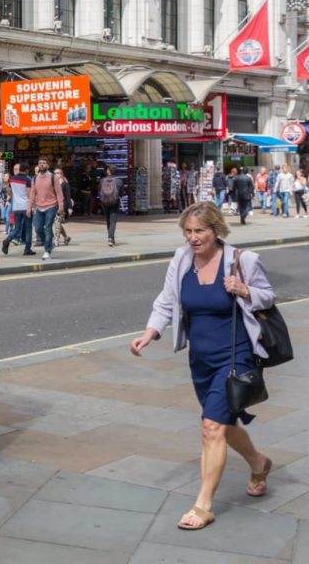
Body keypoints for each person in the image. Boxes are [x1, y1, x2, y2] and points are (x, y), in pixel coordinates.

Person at [130, 202, 276, 531]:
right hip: (200, 359)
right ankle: (258, 462)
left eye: (200, 231)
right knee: (222, 423)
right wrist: (150, 333)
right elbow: (167, 300)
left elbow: (268, 295)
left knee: (211, 427)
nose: (193, 238)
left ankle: (204, 504)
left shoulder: (242, 260)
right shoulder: (181, 259)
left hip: (235, 355)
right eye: (188, 232)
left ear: (216, 230)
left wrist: (245, 289)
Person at [29, 159, 65, 261]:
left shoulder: (53, 178)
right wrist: (29, 207)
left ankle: (47, 251)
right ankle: (50, 242)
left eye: (44, 163)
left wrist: (61, 207)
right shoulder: (35, 178)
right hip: (39, 207)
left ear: (48, 166)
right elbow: (32, 194)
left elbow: (59, 193)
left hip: (51, 206)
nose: (41, 165)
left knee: (48, 227)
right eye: (40, 163)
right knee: (38, 228)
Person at [2, 163, 33, 256]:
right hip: (26, 206)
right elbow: (28, 194)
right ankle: (27, 249)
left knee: (17, 228)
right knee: (28, 228)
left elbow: (10, 192)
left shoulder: (12, 179)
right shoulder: (27, 180)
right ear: (26, 170)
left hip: (16, 207)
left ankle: (7, 240)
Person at [97, 166, 122, 246]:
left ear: (108, 171)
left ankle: (111, 238)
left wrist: (102, 199)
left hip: (104, 203)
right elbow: (121, 192)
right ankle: (111, 238)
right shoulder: (119, 181)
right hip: (114, 202)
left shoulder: (102, 180)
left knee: (108, 220)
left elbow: (99, 191)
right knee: (113, 221)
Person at [52, 168, 72, 246]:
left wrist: (69, 207)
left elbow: (68, 196)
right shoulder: (53, 183)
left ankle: (56, 240)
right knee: (58, 223)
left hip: (62, 206)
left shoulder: (64, 184)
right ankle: (66, 237)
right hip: (54, 205)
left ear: (61, 174)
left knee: (57, 222)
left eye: (58, 173)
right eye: (55, 173)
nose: (56, 174)